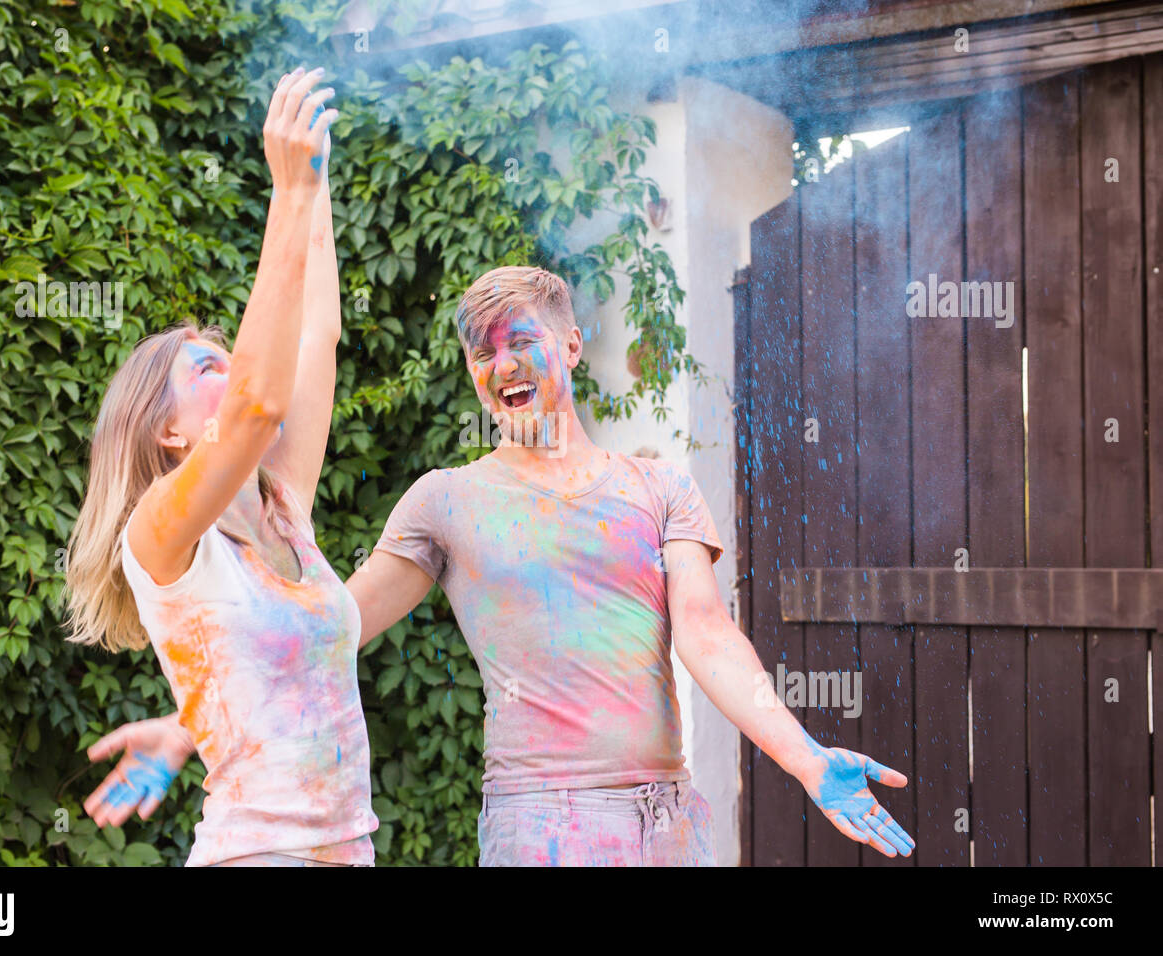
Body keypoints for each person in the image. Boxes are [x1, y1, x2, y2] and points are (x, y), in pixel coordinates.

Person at [85, 266, 915, 866]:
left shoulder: (659, 488)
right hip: (535, 830)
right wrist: (193, 724)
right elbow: (323, 634)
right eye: (484, 355)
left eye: (522, 342)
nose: (503, 366)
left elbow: (707, 637)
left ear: (573, 345)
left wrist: (807, 758)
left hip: (668, 824)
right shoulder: (444, 502)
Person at [63, 68, 375, 867]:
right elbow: (258, 405)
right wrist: (283, 194)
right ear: (166, 431)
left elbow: (315, 337)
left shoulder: (283, 508)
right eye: (207, 367)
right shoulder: (158, 536)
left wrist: (313, 177)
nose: (234, 369)